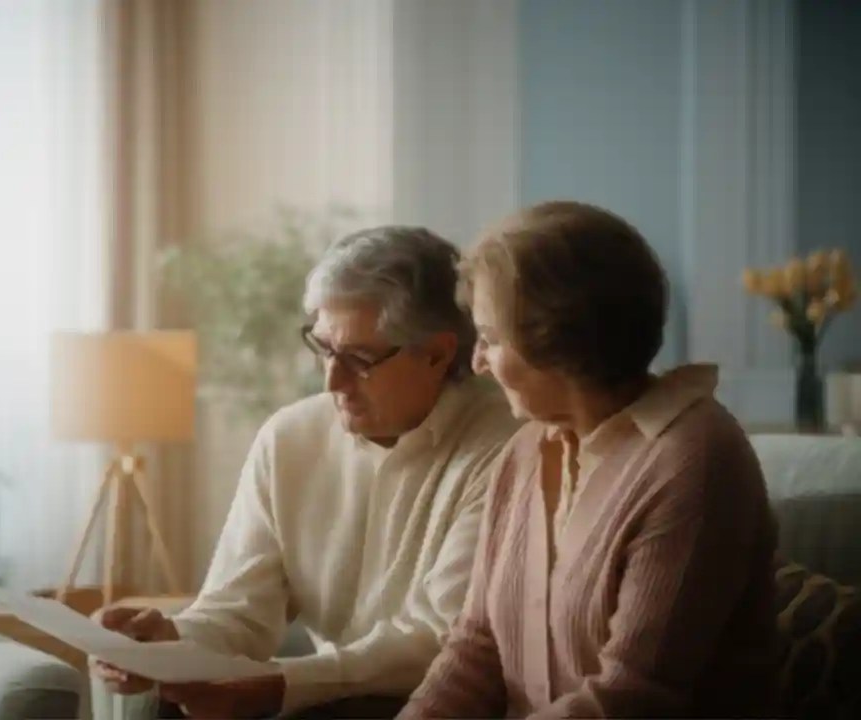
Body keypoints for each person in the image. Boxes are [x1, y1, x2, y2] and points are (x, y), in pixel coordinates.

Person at [91, 226, 520, 719]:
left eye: (359, 358)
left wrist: (281, 684)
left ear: (438, 353)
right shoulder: (290, 437)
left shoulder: (505, 445)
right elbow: (239, 610)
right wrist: (170, 638)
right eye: (323, 349)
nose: (332, 380)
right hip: (323, 693)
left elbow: (438, 638)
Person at [400, 201, 780, 719]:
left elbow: (633, 696)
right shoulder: (526, 450)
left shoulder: (694, 459)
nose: (477, 362)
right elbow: (476, 645)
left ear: (556, 339)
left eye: (489, 338)